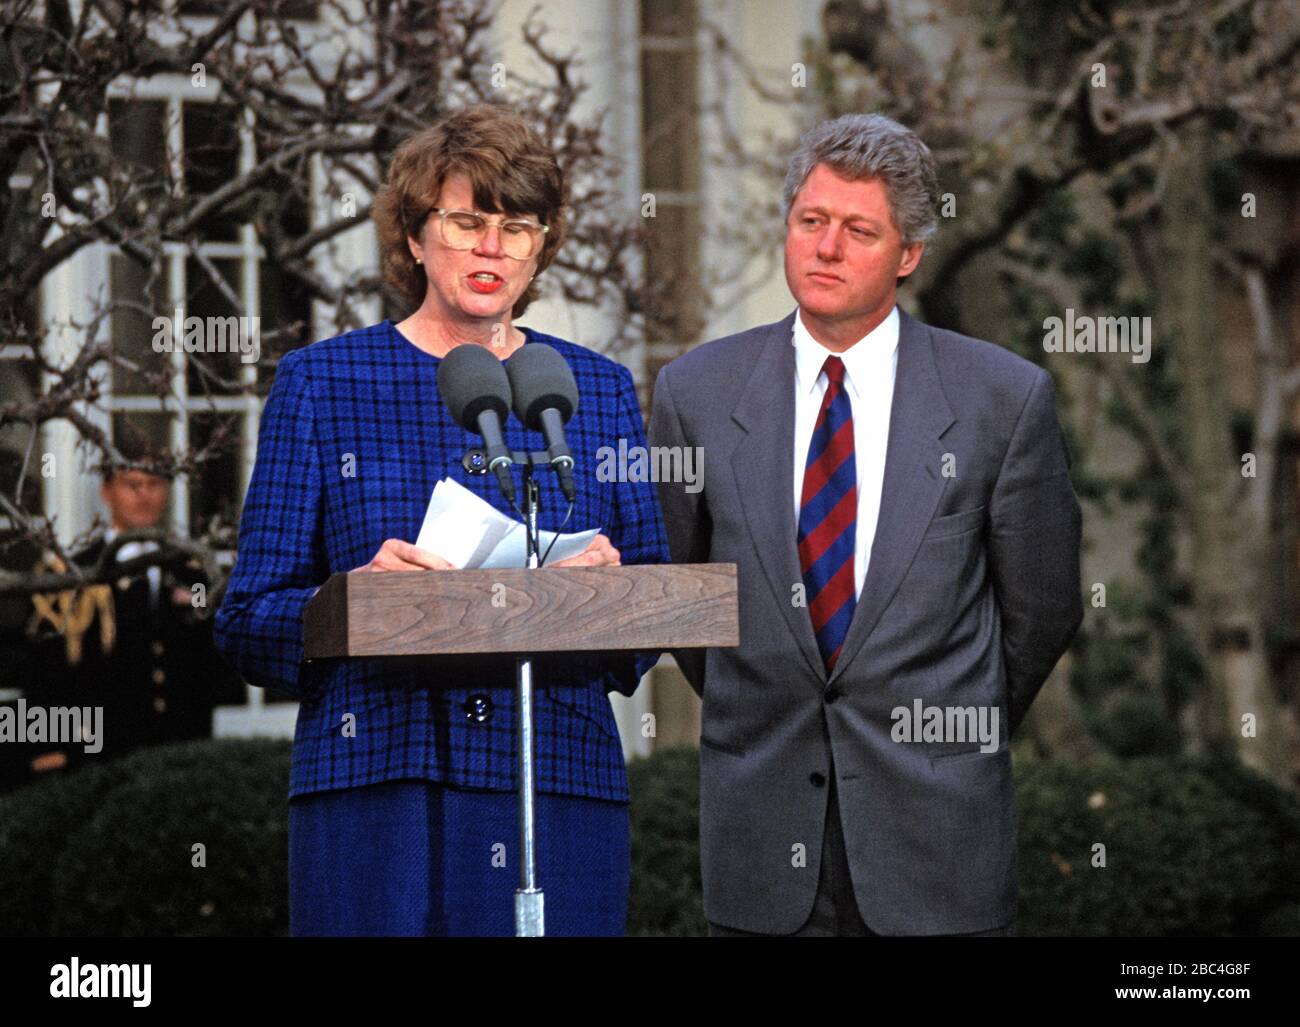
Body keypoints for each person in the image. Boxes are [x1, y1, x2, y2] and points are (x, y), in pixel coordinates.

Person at [214, 104, 668, 937]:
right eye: (466, 221)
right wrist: (350, 601)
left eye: (517, 226)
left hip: (556, 784)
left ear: (542, 245)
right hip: (378, 788)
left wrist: (595, 598)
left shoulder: (595, 389)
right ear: (416, 236)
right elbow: (246, 622)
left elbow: (649, 620)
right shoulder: (323, 383)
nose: (492, 247)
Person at [648, 113, 1084, 936]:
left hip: (938, 845)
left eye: (858, 230)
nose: (826, 247)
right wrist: (773, 693)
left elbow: (1043, 610)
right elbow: (685, 598)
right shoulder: (695, 392)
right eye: (811, 221)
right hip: (761, 844)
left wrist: (948, 722)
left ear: (909, 255)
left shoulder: (1002, 398)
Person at [21, 446, 232, 777]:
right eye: (132, 484)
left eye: (154, 484)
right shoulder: (73, 574)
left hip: (181, 757)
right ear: (107, 492)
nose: (143, 494)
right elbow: (45, 670)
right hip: (96, 759)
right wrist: (53, 748)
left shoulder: (193, 574)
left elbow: (212, 663)